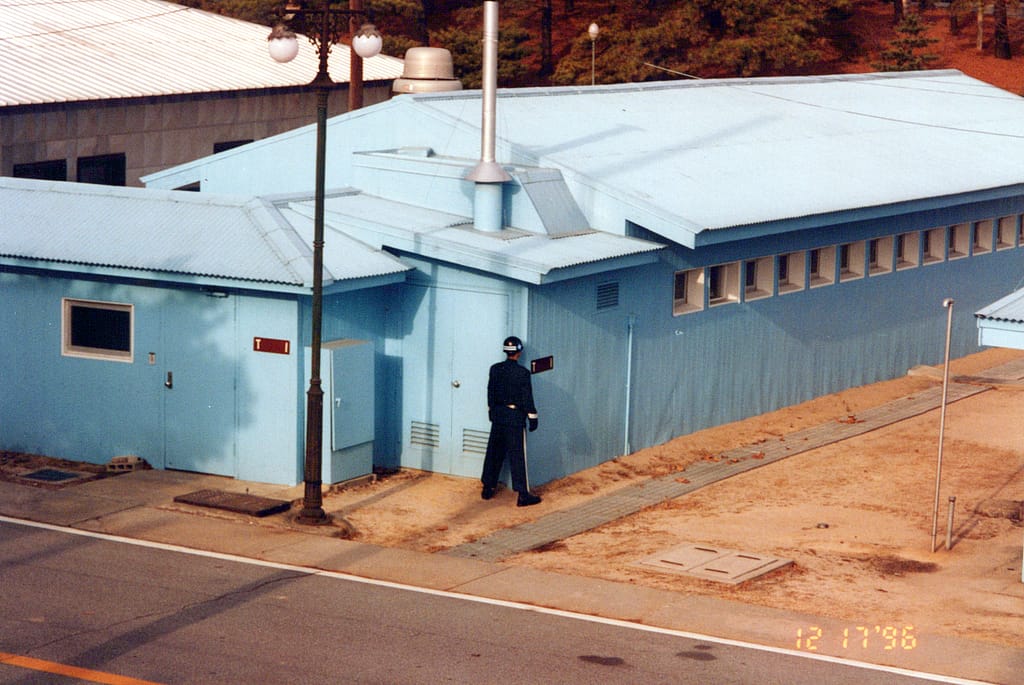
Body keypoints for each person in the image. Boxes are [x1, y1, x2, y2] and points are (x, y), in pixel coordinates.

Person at [480, 335, 542, 507]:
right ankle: (522, 494)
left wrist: (492, 411)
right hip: (514, 418)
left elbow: (490, 392)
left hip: (498, 415)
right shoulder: (522, 373)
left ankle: (487, 487)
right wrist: (533, 416)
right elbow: (527, 397)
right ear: (519, 352)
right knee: (517, 455)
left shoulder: (495, 369)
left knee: (494, 452)